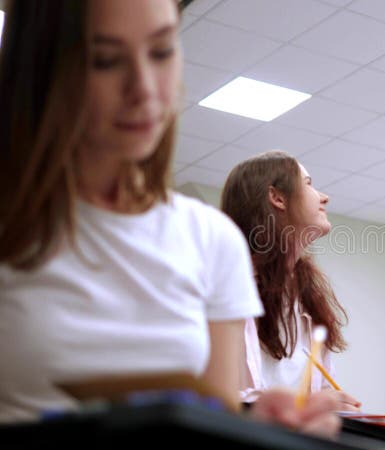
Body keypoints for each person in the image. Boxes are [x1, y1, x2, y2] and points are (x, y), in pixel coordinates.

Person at [0, 0, 339, 437]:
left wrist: (261, 430)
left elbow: (214, 426)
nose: (144, 88)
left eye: (161, 52)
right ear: (43, 68)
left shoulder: (212, 240)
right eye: (105, 60)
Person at [221, 151, 361, 412]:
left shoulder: (309, 303)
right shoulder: (221, 287)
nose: (324, 197)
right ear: (277, 198)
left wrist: (333, 406)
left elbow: (313, 393)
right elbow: (211, 396)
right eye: (308, 183)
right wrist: (308, 405)